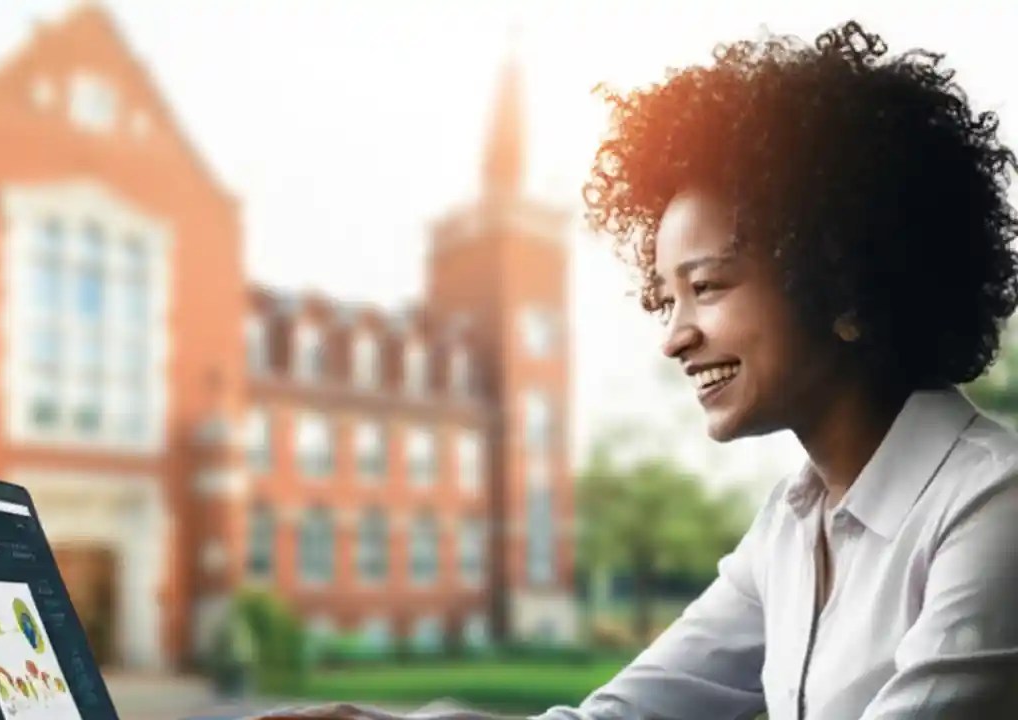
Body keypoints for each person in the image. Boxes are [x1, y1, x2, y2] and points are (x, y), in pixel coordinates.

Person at [248, 18, 1018, 720]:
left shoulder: (992, 506)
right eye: (665, 298)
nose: (675, 337)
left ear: (846, 282)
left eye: (708, 286)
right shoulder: (786, 535)